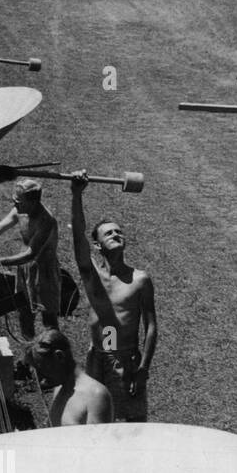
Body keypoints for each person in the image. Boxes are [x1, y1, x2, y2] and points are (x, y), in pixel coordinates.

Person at [70, 171, 157, 421]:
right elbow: (78, 236)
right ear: (97, 246)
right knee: (96, 421)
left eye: (119, 232)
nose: (116, 235)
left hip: (125, 358)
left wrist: (143, 370)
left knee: (132, 423)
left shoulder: (140, 279)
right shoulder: (92, 276)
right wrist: (76, 195)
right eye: (108, 233)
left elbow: (151, 326)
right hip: (96, 355)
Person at [0, 178, 62, 337]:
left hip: (44, 272)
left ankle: (53, 356)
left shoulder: (46, 221)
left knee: (49, 320)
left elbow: (31, 254)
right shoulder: (20, 211)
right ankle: (29, 355)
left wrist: (0, 261)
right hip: (25, 269)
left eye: (18, 201)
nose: (14, 204)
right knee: (24, 314)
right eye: (14, 200)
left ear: (33, 202)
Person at [28, 329, 112, 426]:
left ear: (59, 356)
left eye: (42, 369)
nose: (41, 380)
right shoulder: (58, 389)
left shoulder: (95, 396)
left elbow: (97, 440)